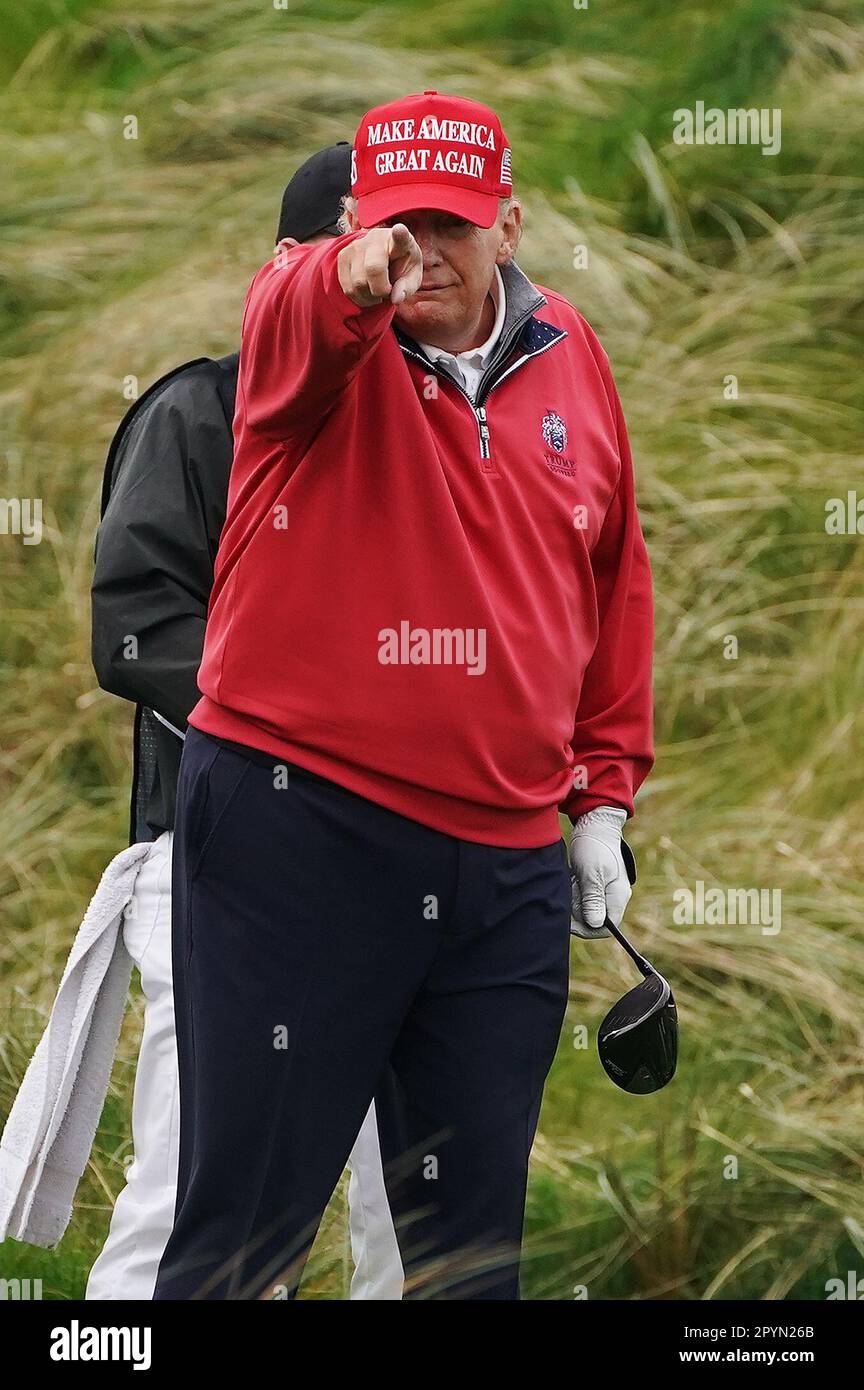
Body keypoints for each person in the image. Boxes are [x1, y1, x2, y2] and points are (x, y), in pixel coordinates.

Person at [153, 90, 654, 1302]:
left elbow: (608, 579)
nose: (421, 248)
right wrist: (348, 274)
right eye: (396, 222)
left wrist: (602, 798)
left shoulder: (568, 354)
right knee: (242, 1239)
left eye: (451, 223)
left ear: (510, 225)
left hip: (507, 869)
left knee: (471, 1257)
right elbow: (290, 311)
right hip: (300, 831)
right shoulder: (315, 342)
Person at [89, 143, 403, 1301]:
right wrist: (306, 744)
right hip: (221, 868)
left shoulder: (433, 436)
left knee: (411, 1222)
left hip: (415, 876)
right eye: (361, 250)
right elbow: (131, 629)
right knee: (188, 1213)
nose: (384, 280)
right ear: (290, 266)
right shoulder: (196, 412)